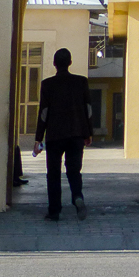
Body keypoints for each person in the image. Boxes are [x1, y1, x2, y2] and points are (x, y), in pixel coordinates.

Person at [32, 48, 93, 221]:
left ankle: (54, 211)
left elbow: (44, 112)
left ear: (54, 64)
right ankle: (77, 197)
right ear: (70, 62)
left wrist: (38, 138)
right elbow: (88, 109)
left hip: (55, 136)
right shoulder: (81, 82)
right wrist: (88, 133)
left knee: (53, 174)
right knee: (74, 171)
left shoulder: (48, 84)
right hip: (76, 135)